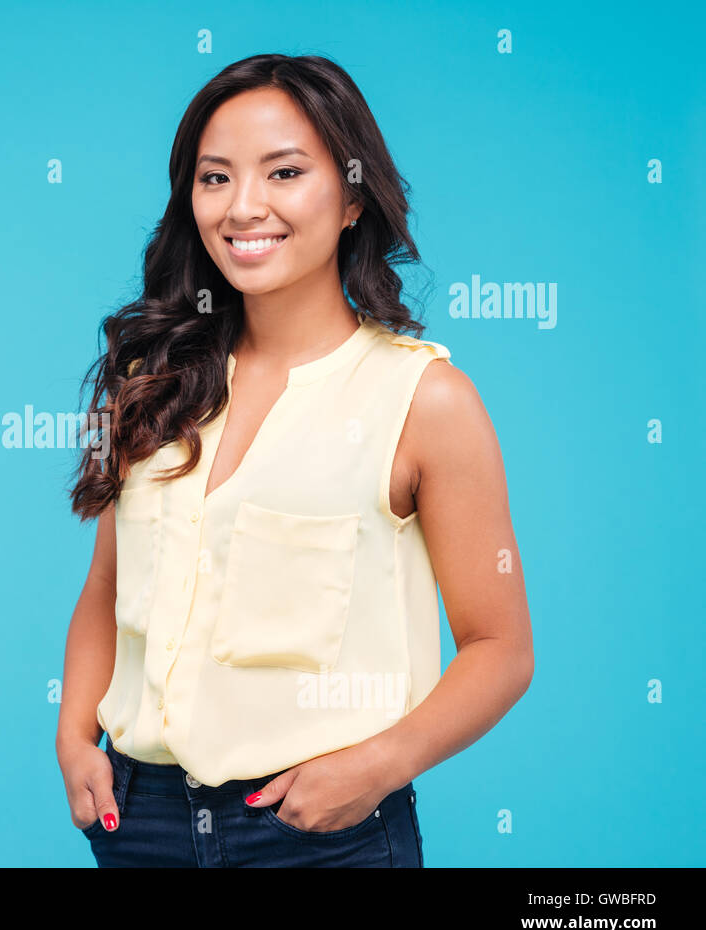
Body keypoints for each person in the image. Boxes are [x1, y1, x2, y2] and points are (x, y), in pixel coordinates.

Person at [57, 53, 533, 867]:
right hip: (141, 825)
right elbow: (106, 590)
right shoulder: (155, 383)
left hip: (319, 832)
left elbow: (501, 649)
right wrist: (74, 739)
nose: (245, 208)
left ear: (352, 197)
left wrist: (380, 766)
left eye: (284, 172)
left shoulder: (424, 400)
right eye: (215, 178)